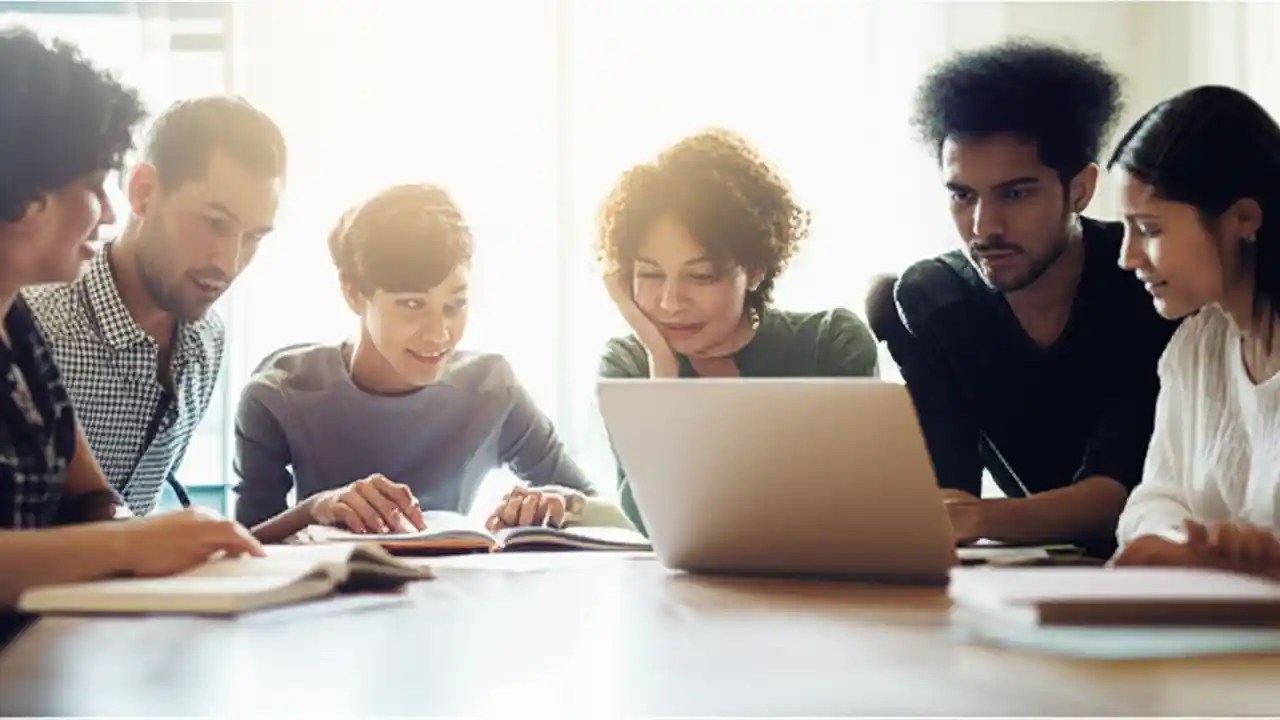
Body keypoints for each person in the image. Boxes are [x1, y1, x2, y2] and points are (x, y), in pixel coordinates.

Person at [0, 28, 262, 616]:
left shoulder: (18, 329)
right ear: (21, 194)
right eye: (94, 188)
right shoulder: (45, 319)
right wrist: (132, 543)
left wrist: (157, 540)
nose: (110, 212)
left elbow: (90, 491)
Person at [883, 41, 1177, 552]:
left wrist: (975, 519)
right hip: (1030, 578)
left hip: (1145, 571)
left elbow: (1118, 493)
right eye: (962, 195)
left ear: (1080, 190)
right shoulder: (933, 298)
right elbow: (947, 490)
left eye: (1015, 194)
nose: (983, 227)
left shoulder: (1143, 281)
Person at [235, 184, 622, 543]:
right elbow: (241, 548)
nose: (439, 334)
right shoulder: (280, 396)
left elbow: (608, 519)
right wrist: (314, 509)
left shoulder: (491, 389)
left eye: (455, 305)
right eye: (412, 305)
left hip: (452, 600)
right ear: (354, 293)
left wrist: (558, 505)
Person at [596, 128, 879, 535]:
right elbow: (650, 522)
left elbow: (856, 507)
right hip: (689, 596)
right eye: (650, 274)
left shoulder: (831, 343)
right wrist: (661, 368)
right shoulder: (628, 364)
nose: (671, 302)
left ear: (756, 269)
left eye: (702, 275)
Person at [24, 95, 287, 516]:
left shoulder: (207, 338)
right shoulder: (34, 328)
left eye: (253, 236)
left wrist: (308, 512)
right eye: (216, 223)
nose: (230, 262)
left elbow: (135, 522)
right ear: (144, 193)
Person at [1107, 86, 1280, 580]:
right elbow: (1152, 501)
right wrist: (1185, 544)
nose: (1127, 257)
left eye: (1150, 229)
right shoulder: (1195, 347)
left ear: (1244, 219)